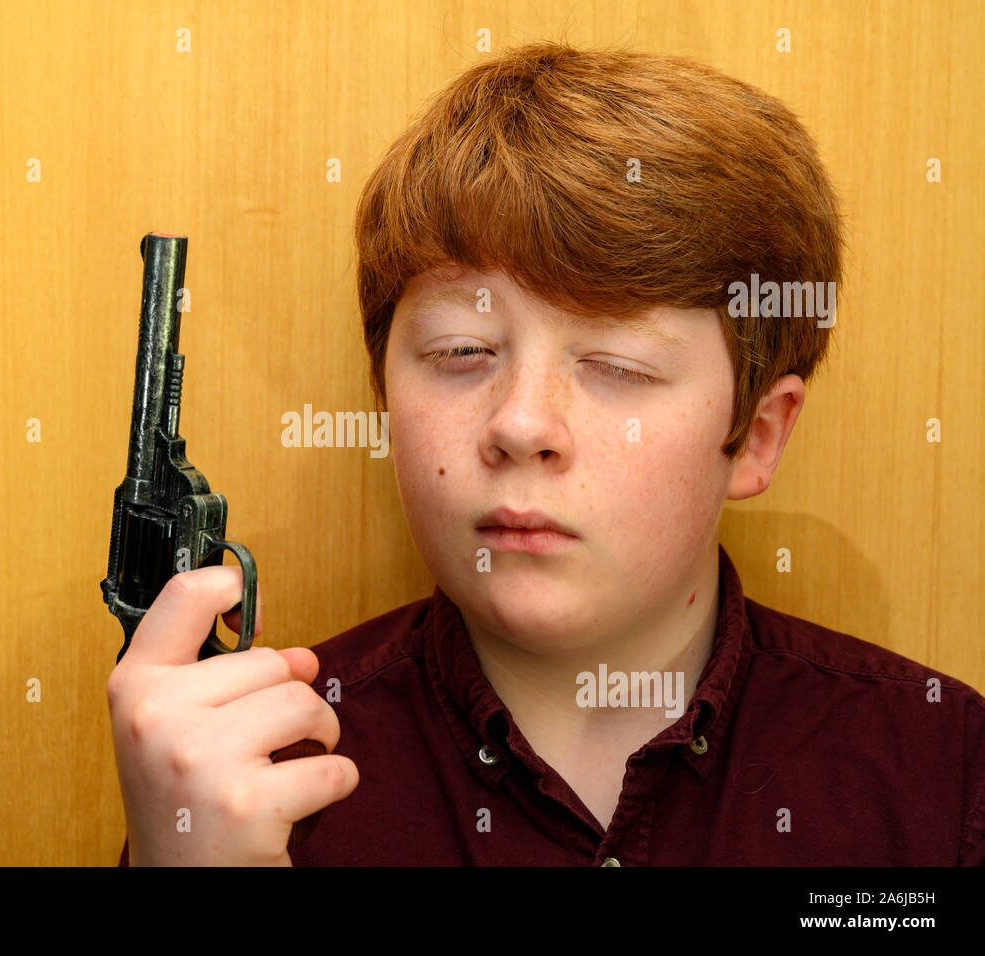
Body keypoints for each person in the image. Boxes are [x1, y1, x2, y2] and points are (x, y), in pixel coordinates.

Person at [107, 40, 985, 865]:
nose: (521, 425)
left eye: (619, 365)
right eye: (462, 352)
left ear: (756, 436)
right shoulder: (237, 787)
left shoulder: (944, 780)